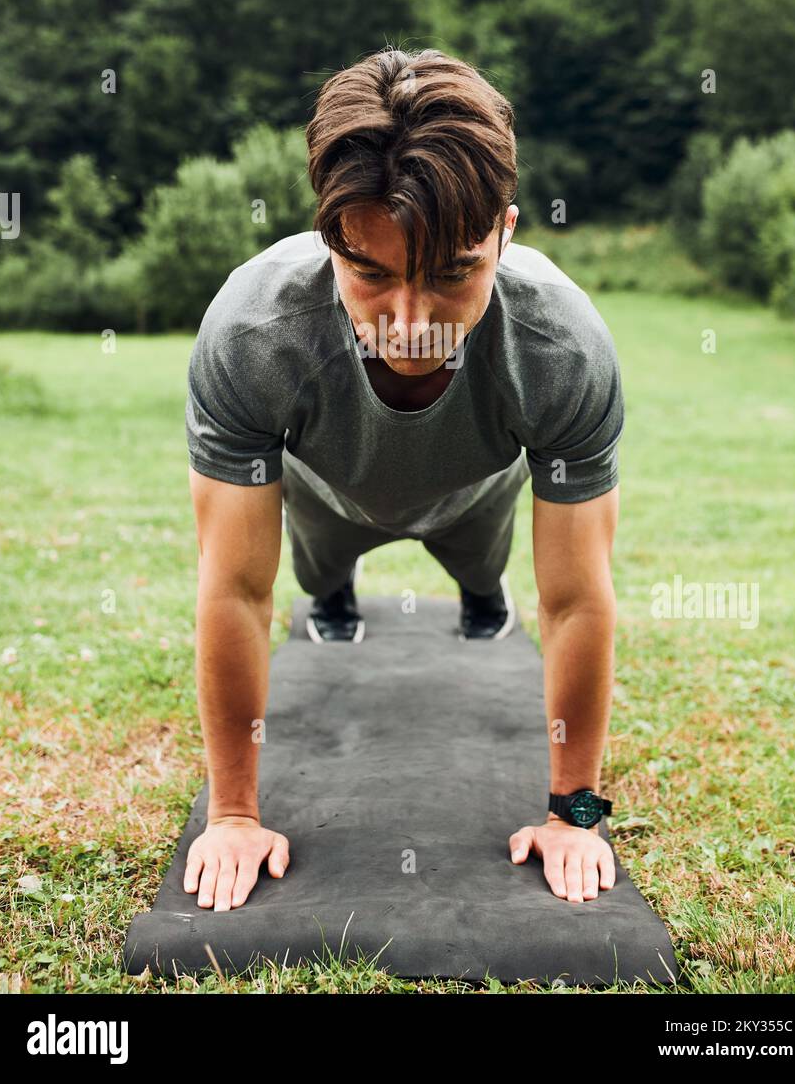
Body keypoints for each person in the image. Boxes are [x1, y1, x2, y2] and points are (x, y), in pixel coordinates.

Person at [183, 47, 624, 913]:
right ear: (327, 238)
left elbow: (577, 600)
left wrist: (575, 812)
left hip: (478, 488)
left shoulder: (564, 348)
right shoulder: (250, 334)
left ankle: (478, 595)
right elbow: (233, 589)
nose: (410, 323)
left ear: (504, 229)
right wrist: (233, 813)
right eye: (372, 274)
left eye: (452, 272)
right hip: (327, 488)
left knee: (482, 575)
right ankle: (340, 594)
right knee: (319, 579)